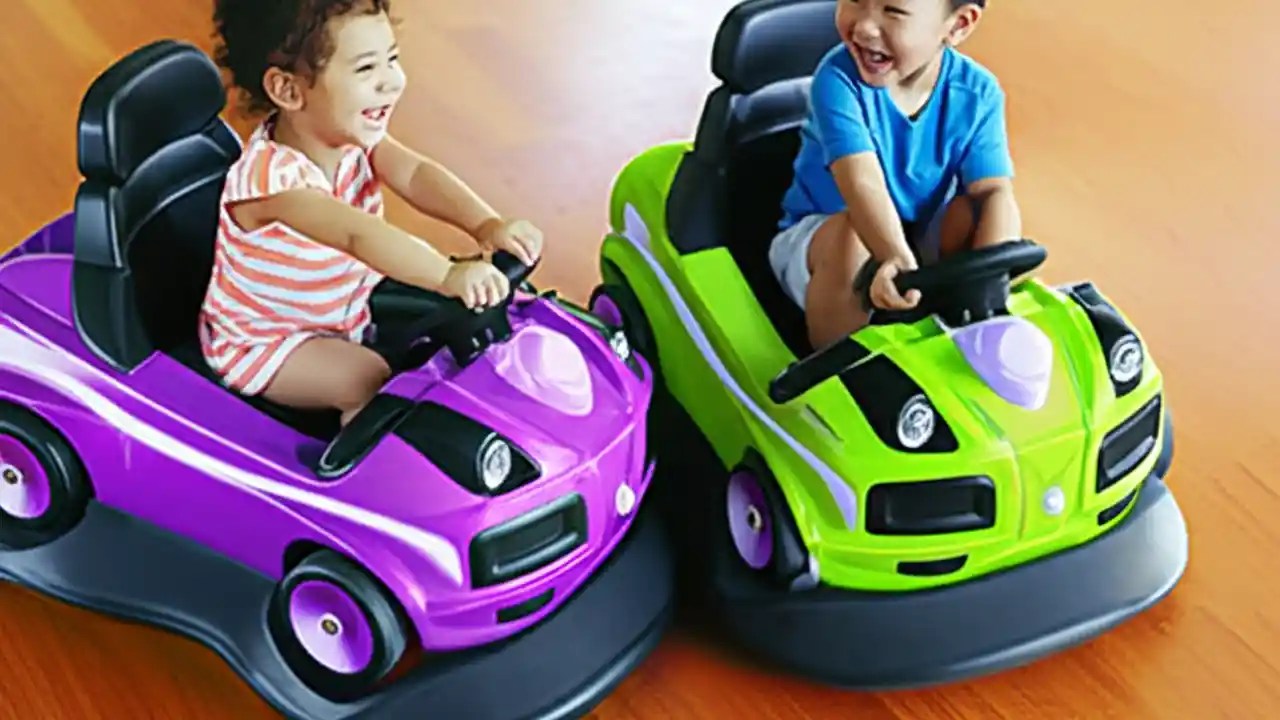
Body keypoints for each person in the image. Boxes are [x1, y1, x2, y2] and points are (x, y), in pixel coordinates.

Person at [200, 0, 544, 426]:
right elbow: (356, 236)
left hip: (341, 310)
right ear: (289, 91)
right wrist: (446, 275)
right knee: (367, 378)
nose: (393, 82)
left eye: (392, 59)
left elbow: (417, 175)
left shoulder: (351, 138)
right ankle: (355, 480)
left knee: (429, 327)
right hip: (269, 344)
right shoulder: (273, 183)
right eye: (366, 69)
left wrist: (485, 224)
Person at [768, 0, 1022, 349]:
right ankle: (835, 370)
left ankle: (977, 328)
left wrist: (992, 278)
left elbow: (994, 190)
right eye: (855, 1)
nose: (864, 28)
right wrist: (894, 256)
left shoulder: (978, 93)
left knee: (976, 212)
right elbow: (862, 180)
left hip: (915, 240)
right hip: (821, 244)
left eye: (893, 11)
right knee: (854, 237)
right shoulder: (838, 80)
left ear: (958, 25)